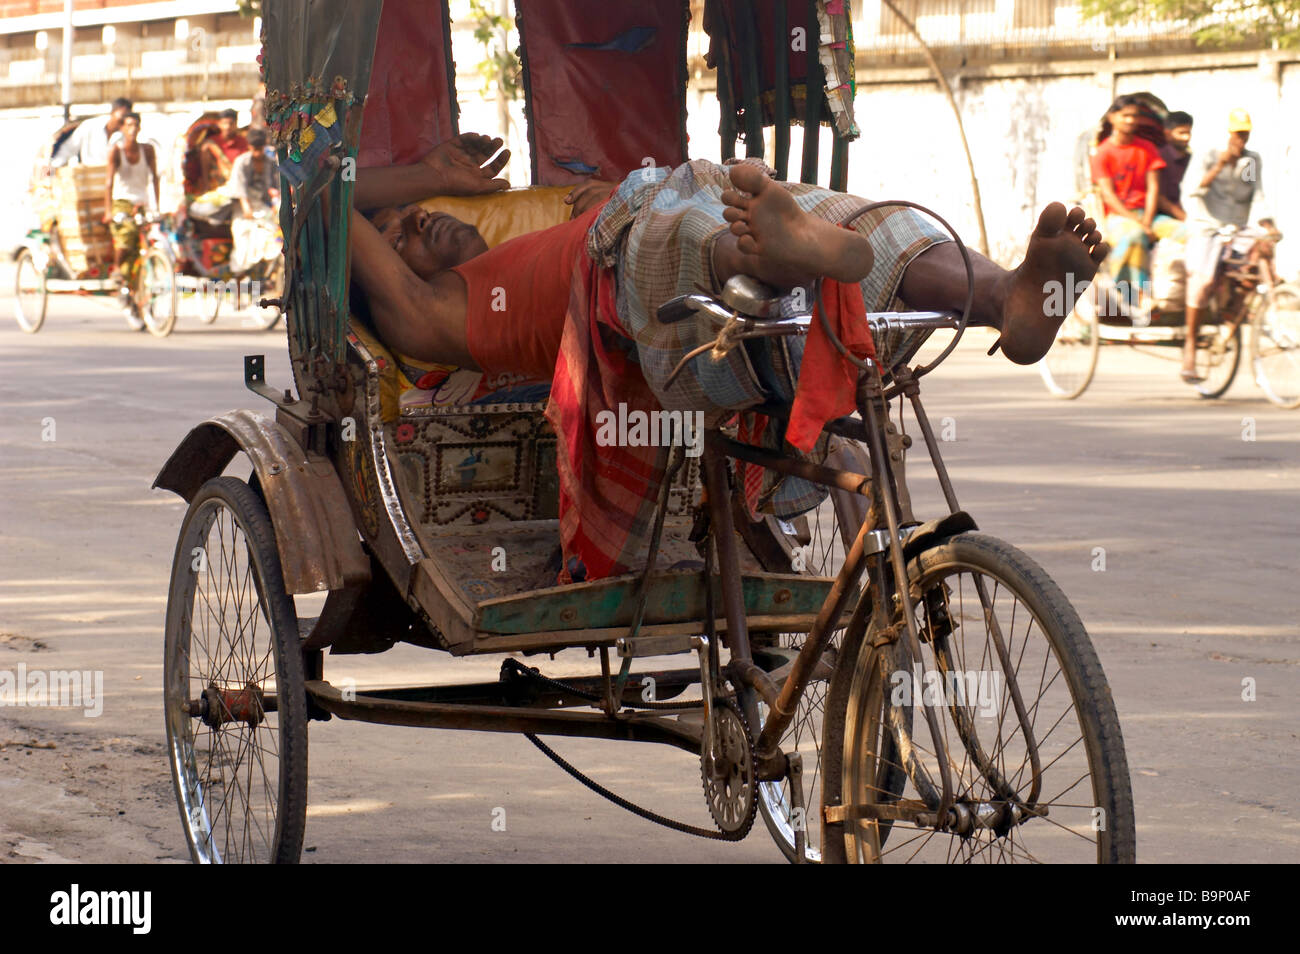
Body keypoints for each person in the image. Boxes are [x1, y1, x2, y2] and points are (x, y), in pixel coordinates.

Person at [349, 156, 1109, 581]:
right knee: (661, 238)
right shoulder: (434, 314)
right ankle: (767, 255)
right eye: (398, 234)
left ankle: (1007, 294)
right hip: (622, 288)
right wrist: (415, 174)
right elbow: (319, 194)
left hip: (696, 204)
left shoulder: (513, 248)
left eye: (419, 210)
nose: (419, 219)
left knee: (854, 221)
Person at [1179, 108, 1277, 383]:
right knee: (1203, 281)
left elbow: (1257, 196)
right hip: (1206, 226)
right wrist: (1220, 164)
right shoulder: (1207, 155)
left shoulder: (1251, 161)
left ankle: (1230, 318)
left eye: (1245, 134)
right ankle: (1189, 348)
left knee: (1261, 255)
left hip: (1237, 227)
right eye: (1236, 134)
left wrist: (1268, 223)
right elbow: (1192, 191)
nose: (1241, 140)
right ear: (1226, 134)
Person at [1090, 94, 1168, 309]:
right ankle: (1137, 294)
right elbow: (1108, 195)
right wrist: (1139, 222)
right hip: (1118, 217)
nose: (1131, 120)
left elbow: (1153, 188)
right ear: (1113, 117)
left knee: (1187, 233)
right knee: (1135, 234)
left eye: (1134, 116)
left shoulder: (1147, 148)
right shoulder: (1102, 153)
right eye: (1125, 116)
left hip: (1149, 214)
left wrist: (1148, 219)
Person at [102, 112, 158, 323]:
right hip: (121, 203)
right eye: (128, 125)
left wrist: (156, 207)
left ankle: (142, 293)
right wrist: (108, 211)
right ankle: (117, 271)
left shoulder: (148, 150)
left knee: (147, 245)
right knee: (126, 237)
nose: (132, 129)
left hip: (141, 203)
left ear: (140, 128)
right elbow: (108, 183)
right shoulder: (116, 151)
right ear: (123, 129)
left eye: (136, 125)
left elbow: (154, 180)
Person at [225, 129, 281, 273]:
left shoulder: (270, 162)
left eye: (260, 149)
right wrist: (246, 208)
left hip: (262, 206)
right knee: (243, 238)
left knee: (271, 235)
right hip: (243, 208)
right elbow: (238, 187)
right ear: (249, 147)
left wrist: (276, 202)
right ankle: (240, 273)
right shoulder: (241, 162)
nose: (257, 153)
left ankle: (265, 273)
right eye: (255, 149)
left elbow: (276, 186)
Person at [52, 97, 133, 167]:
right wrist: (53, 166)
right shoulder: (89, 126)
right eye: (123, 116)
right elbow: (69, 148)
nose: (124, 121)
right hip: (89, 179)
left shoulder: (127, 135)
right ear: (112, 112)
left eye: (127, 118)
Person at [1157, 111, 1194, 222]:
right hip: (1164, 217)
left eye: (1188, 133)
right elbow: (1159, 198)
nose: (1186, 137)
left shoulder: (1192, 159)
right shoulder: (1159, 157)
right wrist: (1185, 218)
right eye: (1181, 133)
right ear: (1168, 134)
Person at [201, 108, 249, 189]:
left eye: (231, 123)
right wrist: (206, 185)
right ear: (219, 124)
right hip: (216, 186)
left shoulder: (243, 142)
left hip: (238, 185)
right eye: (224, 123)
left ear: (236, 124)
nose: (227, 127)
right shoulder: (211, 143)